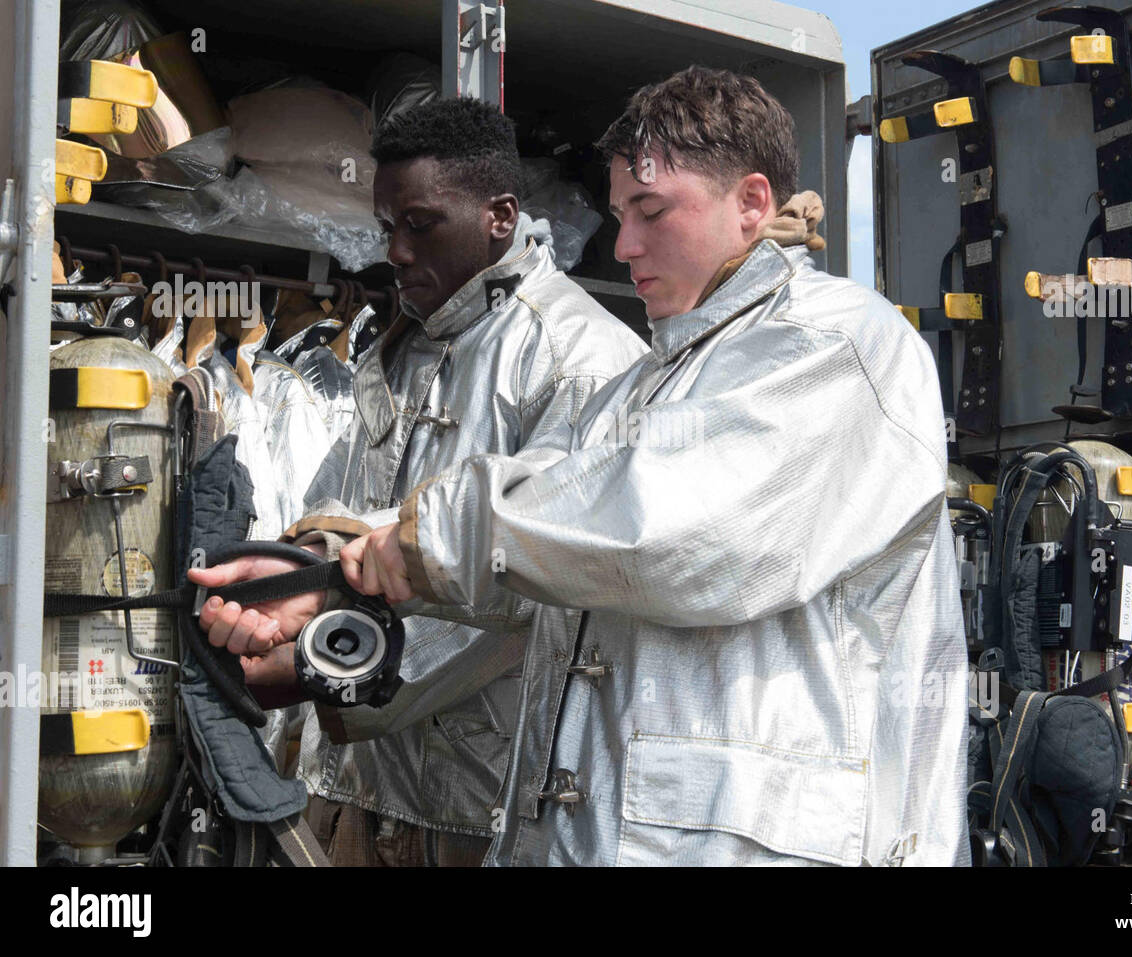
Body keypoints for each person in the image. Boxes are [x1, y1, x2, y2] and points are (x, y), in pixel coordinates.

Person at [196, 66, 970, 866]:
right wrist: (323, 580)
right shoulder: (639, 389)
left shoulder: (838, 349)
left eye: (651, 211)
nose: (624, 244)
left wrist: (420, 543)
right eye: (619, 215)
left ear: (751, 202)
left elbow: (672, 530)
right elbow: (537, 553)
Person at [192, 96, 646, 866]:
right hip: (354, 798)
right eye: (385, 229)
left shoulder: (581, 362)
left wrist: (314, 660)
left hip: (483, 815)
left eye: (421, 225)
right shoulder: (406, 344)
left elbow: (539, 589)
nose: (395, 252)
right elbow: (334, 515)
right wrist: (280, 589)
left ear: (500, 215)